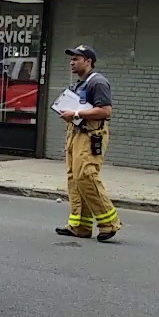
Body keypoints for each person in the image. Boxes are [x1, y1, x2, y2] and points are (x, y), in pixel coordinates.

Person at [55, 44, 121, 242]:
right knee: (74, 179)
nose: (71, 62)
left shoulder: (98, 82)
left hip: (90, 135)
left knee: (86, 176)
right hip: (75, 133)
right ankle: (80, 226)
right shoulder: (80, 84)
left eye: (76, 59)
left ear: (88, 61)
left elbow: (105, 111)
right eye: (71, 59)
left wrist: (75, 113)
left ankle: (109, 223)